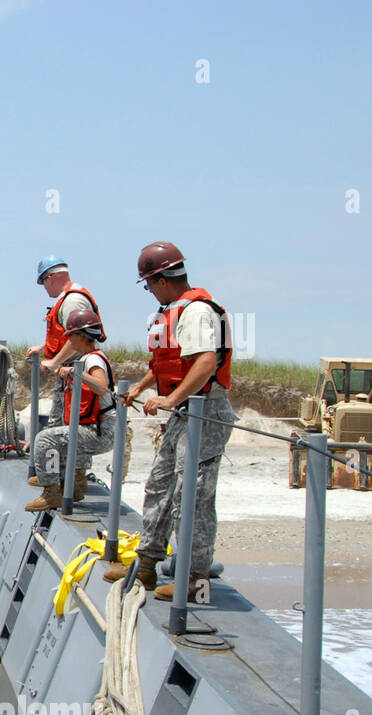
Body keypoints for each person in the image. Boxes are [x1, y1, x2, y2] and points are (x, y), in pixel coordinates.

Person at [104, 241, 238, 602]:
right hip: (186, 411)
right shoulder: (175, 312)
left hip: (205, 412)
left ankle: (195, 581)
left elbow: (206, 363)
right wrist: (142, 390)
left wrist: (170, 399)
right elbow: (165, 366)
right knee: (160, 486)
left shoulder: (194, 312)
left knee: (191, 496)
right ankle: (146, 567)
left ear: (162, 280)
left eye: (148, 285)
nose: (148, 292)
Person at [24, 309, 116, 512]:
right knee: (63, 437)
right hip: (96, 428)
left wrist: (74, 371)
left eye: (71, 336)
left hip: (99, 431)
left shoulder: (92, 360)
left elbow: (101, 386)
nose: (68, 341)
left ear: (81, 336)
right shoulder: (89, 358)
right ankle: (71, 485)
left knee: (45, 439)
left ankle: (51, 493)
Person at [26, 256, 99, 454]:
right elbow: (65, 334)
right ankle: (60, 473)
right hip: (68, 373)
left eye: (44, 283)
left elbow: (79, 338)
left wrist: (54, 362)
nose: (45, 289)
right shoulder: (67, 299)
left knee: (62, 425)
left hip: (75, 373)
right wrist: (42, 348)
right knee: (58, 424)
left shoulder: (73, 300)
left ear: (50, 277)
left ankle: (64, 476)